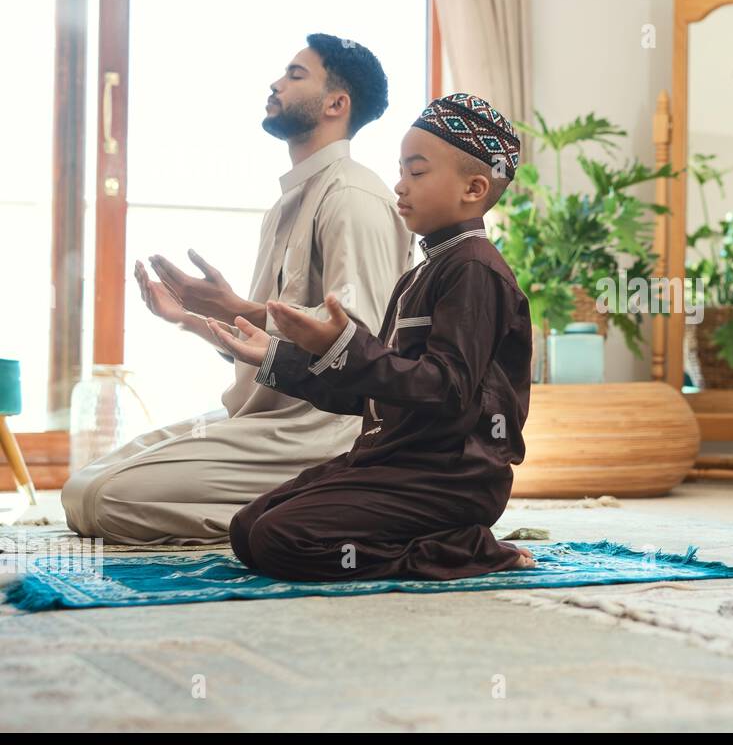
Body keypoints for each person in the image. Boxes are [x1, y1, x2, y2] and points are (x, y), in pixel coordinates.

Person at [62, 34, 412, 545]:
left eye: (296, 75)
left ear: (337, 103)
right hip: (255, 417)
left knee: (105, 500)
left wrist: (233, 307)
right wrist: (192, 318)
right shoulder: (285, 205)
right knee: (82, 486)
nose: (276, 83)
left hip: (319, 431)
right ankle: (298, 509)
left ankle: (317, 516)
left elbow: (358, 343)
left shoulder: (353, 196)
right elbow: (267, 345)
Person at [209, 93, 536, 581]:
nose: (400, 187)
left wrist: (347, 345)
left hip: (448, 477)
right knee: (248, 528)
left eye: (417, 172)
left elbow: (446, 389)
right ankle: (432, 538)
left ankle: (461, 550)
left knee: (281, 539)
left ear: (473, 187)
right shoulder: (420, 275)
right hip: (391, 460)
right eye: (400, 171)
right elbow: (376, 394)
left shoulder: (475, 269)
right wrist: (275, 357)